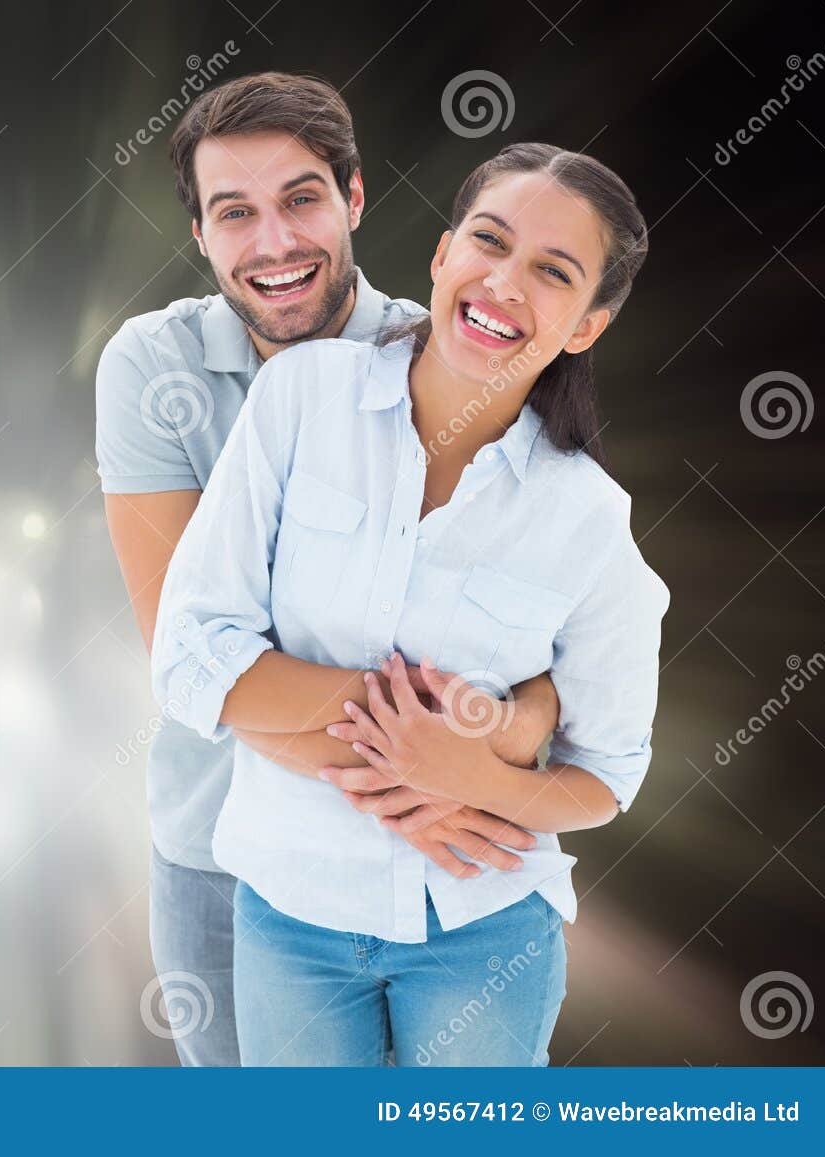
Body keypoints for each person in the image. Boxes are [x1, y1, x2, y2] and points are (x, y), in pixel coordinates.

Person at [150, 141, 668, 1066]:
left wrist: (482, 778)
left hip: (483, 931)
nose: (503, 283)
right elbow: (192, 653)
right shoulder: (301, 397)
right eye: (489, 241)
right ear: (441, 254)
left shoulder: (589, 519)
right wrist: (459, 739)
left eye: (553, 272)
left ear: (587, 325)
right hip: (288, 912)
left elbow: (608, 774)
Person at [95, 73, 560, 1067]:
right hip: (223, 854)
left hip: (422, 869)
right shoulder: (153, 368)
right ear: (200, 233)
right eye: (234, 212)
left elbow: (530, 654)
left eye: (300, 198)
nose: (273, 242)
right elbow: (190, 656)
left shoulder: (450, 364)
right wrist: (427, 771)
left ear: (352, 197)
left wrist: (483, 750)